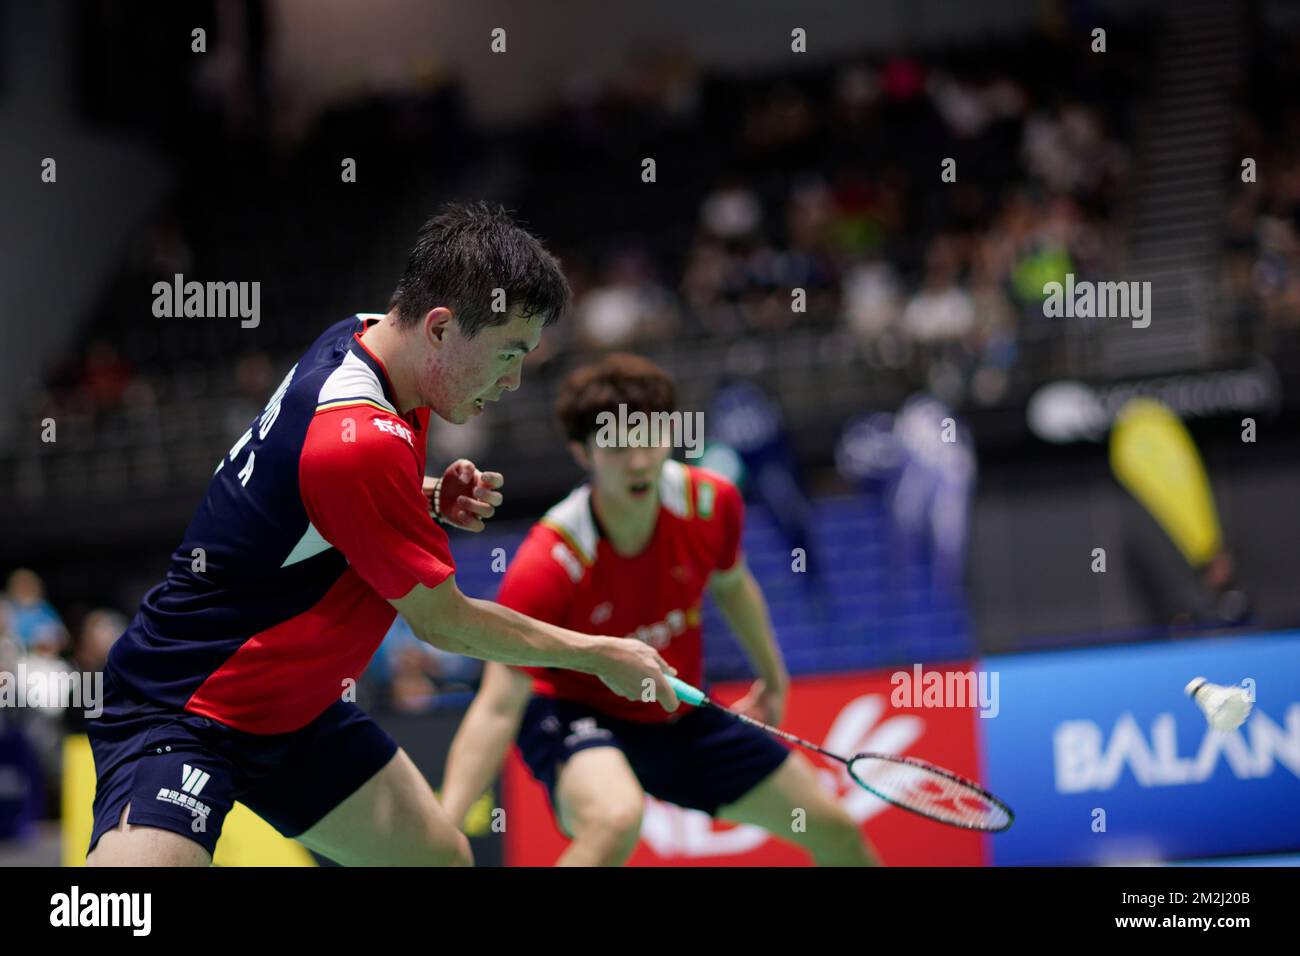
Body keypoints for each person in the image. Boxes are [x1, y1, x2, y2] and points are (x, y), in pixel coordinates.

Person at [85, 202, 679, 867]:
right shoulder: (358, 439)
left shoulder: (364, 342)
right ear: (442, 328)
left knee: (439, 861)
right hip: (185, 708)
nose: (513, 381)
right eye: (508, 354)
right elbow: (445, 624)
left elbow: (303, 497)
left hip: (297, 713)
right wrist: (600, 654)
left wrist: (418, 497)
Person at [440, 353, 877, 866]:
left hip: (677, 708)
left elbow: (733, 586)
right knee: (615, 819)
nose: (640, 461)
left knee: (836, 830)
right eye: (618, 446)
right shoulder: (551, 562)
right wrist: (443, 829)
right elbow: (497, 704)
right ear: (583, 452)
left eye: (650, 437)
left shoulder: (711, 505)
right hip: (574, 714)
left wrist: (772, 677)